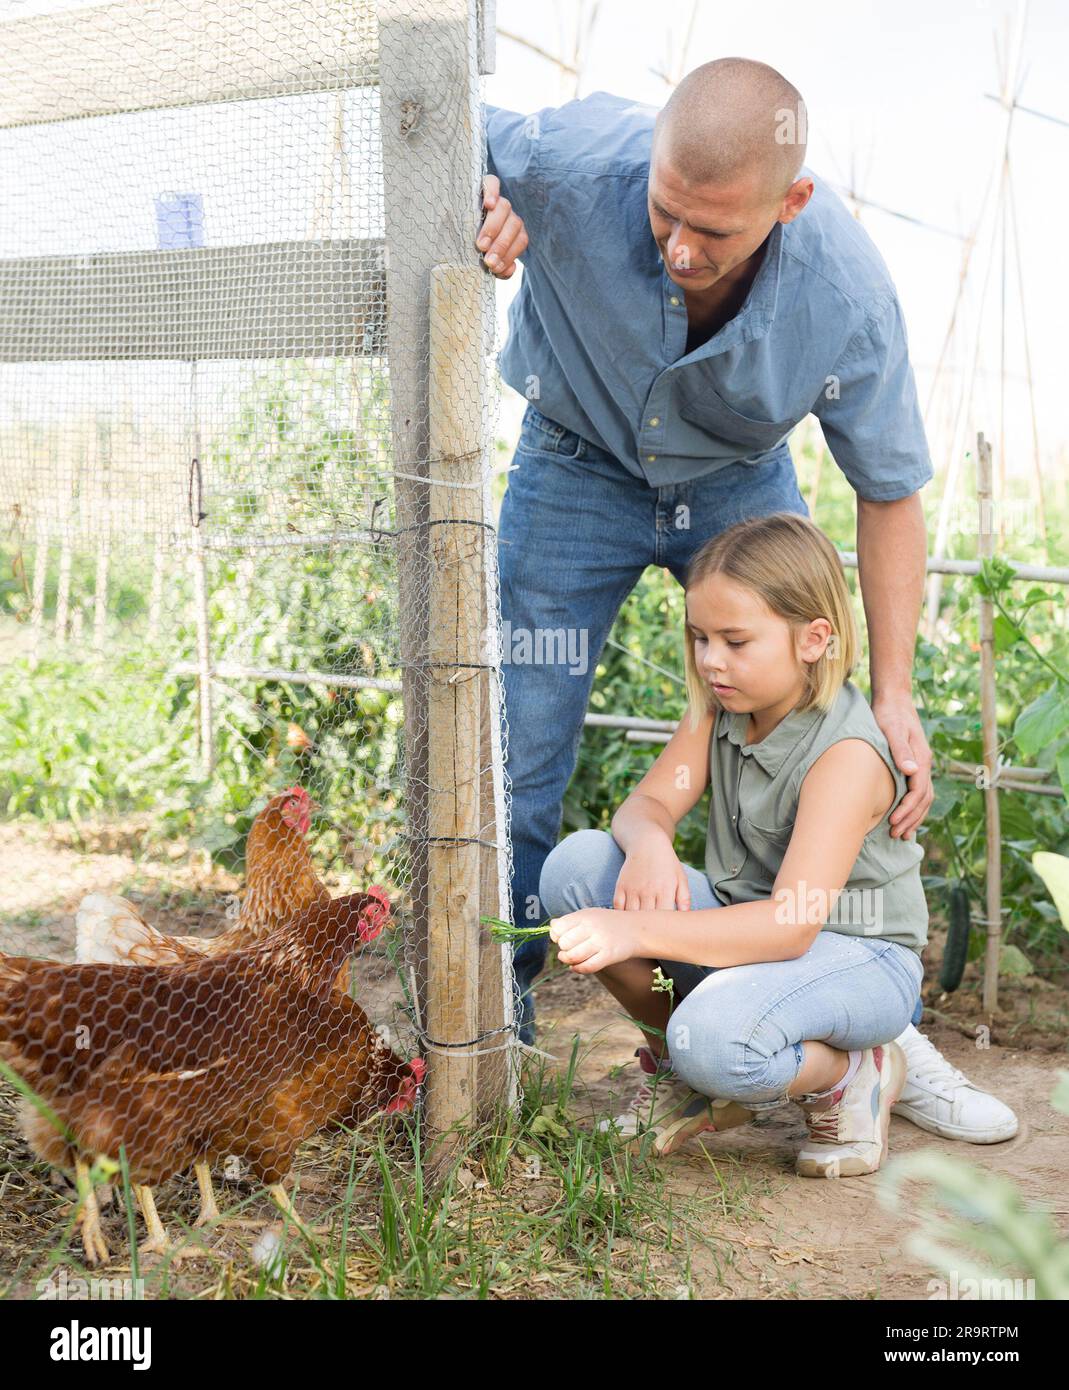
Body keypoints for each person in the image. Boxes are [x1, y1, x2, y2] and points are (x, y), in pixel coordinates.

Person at [478, 57, 1017, 1144]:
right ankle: (500, 1019)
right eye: (664, 212)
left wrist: (898, 691)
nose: (679, 249)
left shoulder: (845, 294)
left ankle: (859, 1035)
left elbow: (888, 490)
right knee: (515, 754)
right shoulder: (571, 157)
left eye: (713, 233)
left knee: (810, 722)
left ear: (790, 204)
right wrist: (475, 195)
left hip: (733, 474)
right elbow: (438, 116)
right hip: (573, 457)